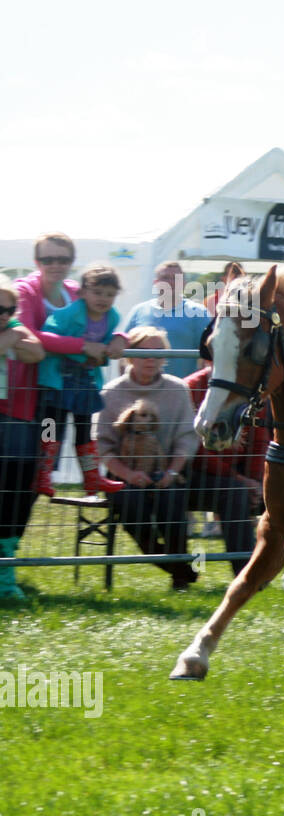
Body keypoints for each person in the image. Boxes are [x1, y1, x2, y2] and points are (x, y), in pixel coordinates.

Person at [3, 234, 78, 598]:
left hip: (54, 407)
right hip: (21, 403)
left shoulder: (76, 293)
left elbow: (99, 323)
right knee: (14, 477)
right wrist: (84, 346)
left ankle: (9, 551)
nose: (55, 264)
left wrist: (114, 338)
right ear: (37, 261)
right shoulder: (24, 292)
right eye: (48, 258)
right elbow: (33, 335)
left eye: (62, 258)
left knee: (36, 476)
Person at [98, 327, 201, 589]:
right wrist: (128, 474)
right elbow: (103, 446)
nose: (151, 359)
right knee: (132, 508)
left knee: (173, 503)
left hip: (168, 470)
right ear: (130, 356)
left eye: (158, 353)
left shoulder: (178, 389)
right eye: (143, 352)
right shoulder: (111, 392)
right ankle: (177, 566)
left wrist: (172, 472)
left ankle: (181, 580)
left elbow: (187, 438)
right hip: (124, 473)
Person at [33, 264, 129, 497]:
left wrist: (121, 337)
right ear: (83, 292)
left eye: (110, 294)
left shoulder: (113, 316)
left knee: (85, 432)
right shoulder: (67, 314)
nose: (103, 299)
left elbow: (110, 342)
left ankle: (92, 478)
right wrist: (83, 349)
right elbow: (49, 335)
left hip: (85, 382)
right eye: (97, 292)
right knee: (51, 428)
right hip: (57, 380)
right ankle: (42, 477)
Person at [184, 365, 266, 576]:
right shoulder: (191, 388)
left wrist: (256, 482)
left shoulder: (254, 390)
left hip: (241, 475)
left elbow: (259, 441)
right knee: (235, 493)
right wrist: (241, 481)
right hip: (198, 473)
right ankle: (248, 576)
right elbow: (195, 450)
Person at [1, 275, 47, 599]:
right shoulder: (15, 330)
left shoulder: (16, 327)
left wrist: (14, 335)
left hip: (18, 419)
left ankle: (5, 574)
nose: (4, 315)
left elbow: (37, 353)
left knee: (18, 491)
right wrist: (13, 336)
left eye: (9, 309)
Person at [122, 261, 211, 379]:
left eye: (176, 278)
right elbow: (123, 353)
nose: (170, 282)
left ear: (184, 283)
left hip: (182, 392)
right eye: (165, 278)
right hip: (141, 391)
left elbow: (209, 356)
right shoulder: (138, 311)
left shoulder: (199, 313)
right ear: (155, 283)